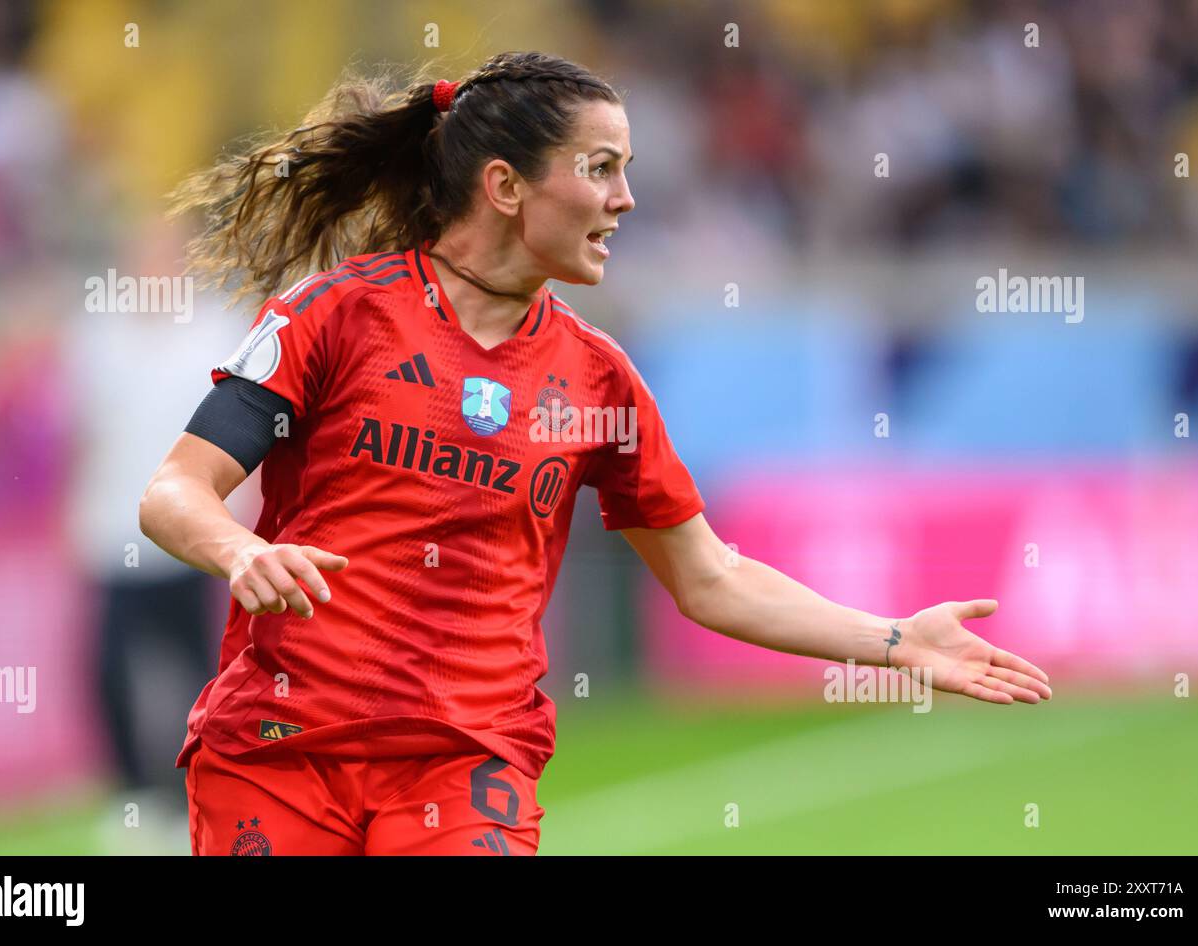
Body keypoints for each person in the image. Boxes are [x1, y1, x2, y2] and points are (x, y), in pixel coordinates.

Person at [140, 51, 1051, 857]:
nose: (625, 199)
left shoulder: (599, 380)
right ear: (505, 187)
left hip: (467, 763)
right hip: (278, 750)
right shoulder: (335, 314)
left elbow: (712, 580)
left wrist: (894, 641)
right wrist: (241, 550)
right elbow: (176, 492)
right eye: (602, 169)